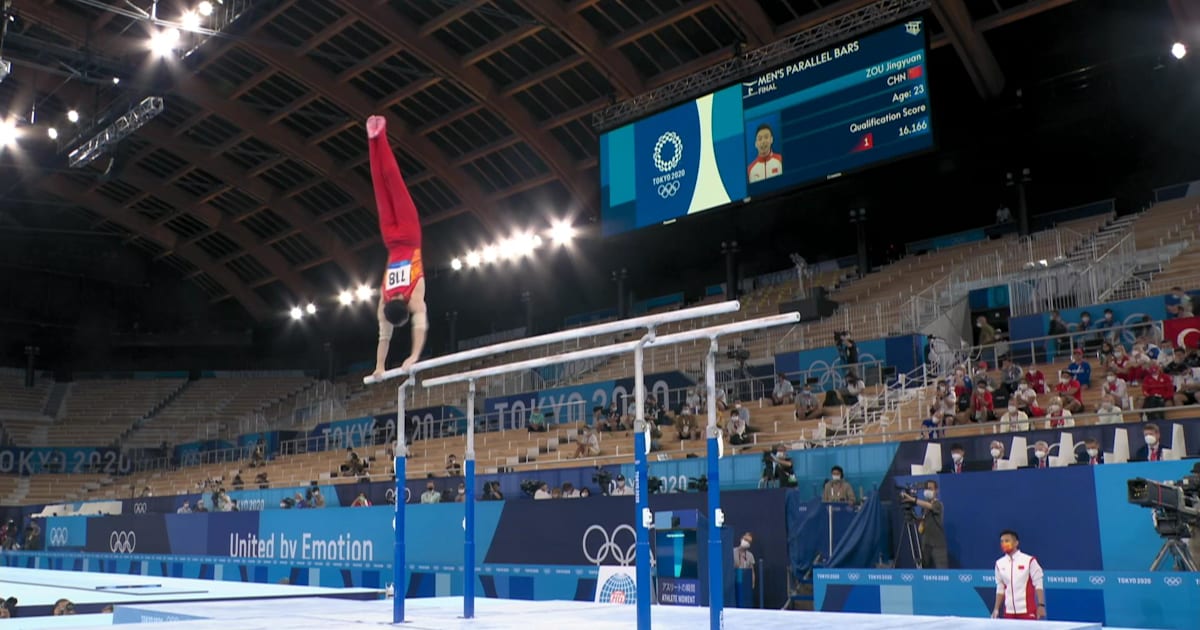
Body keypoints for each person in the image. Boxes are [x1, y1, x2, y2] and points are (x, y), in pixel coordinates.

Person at [368, 115, 429, 379]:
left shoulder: (414, 298)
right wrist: (379, 366)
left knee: (392, 182)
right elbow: (383, 337)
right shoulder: (383, 302)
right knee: (381, 185)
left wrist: (415, 355)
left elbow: (419, 327)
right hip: (390, 238)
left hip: (409, 234)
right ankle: (374, 138)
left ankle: (379, 135)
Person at [992, 529, 1046, 620]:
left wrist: (1041, 605)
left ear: (1016, 543)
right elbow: (1000, 587)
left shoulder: (1029, 560)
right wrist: (996, 609)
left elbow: (1038, 583)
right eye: (1002, 541)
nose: (1004, 544)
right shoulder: (999, 564)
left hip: (1027, 611)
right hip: (1008, 613)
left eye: (1007, 541)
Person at [902, 480, 947, 568]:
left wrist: (912, 499)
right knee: (925, 571)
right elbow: (923, 518)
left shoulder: (938, 504)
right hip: (925, 544)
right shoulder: (924, 508)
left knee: (942, 572)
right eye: (926, 489)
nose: (928, 491)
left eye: (930, 489)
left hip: (938, 545)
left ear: (936, 490)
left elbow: (930, 506)